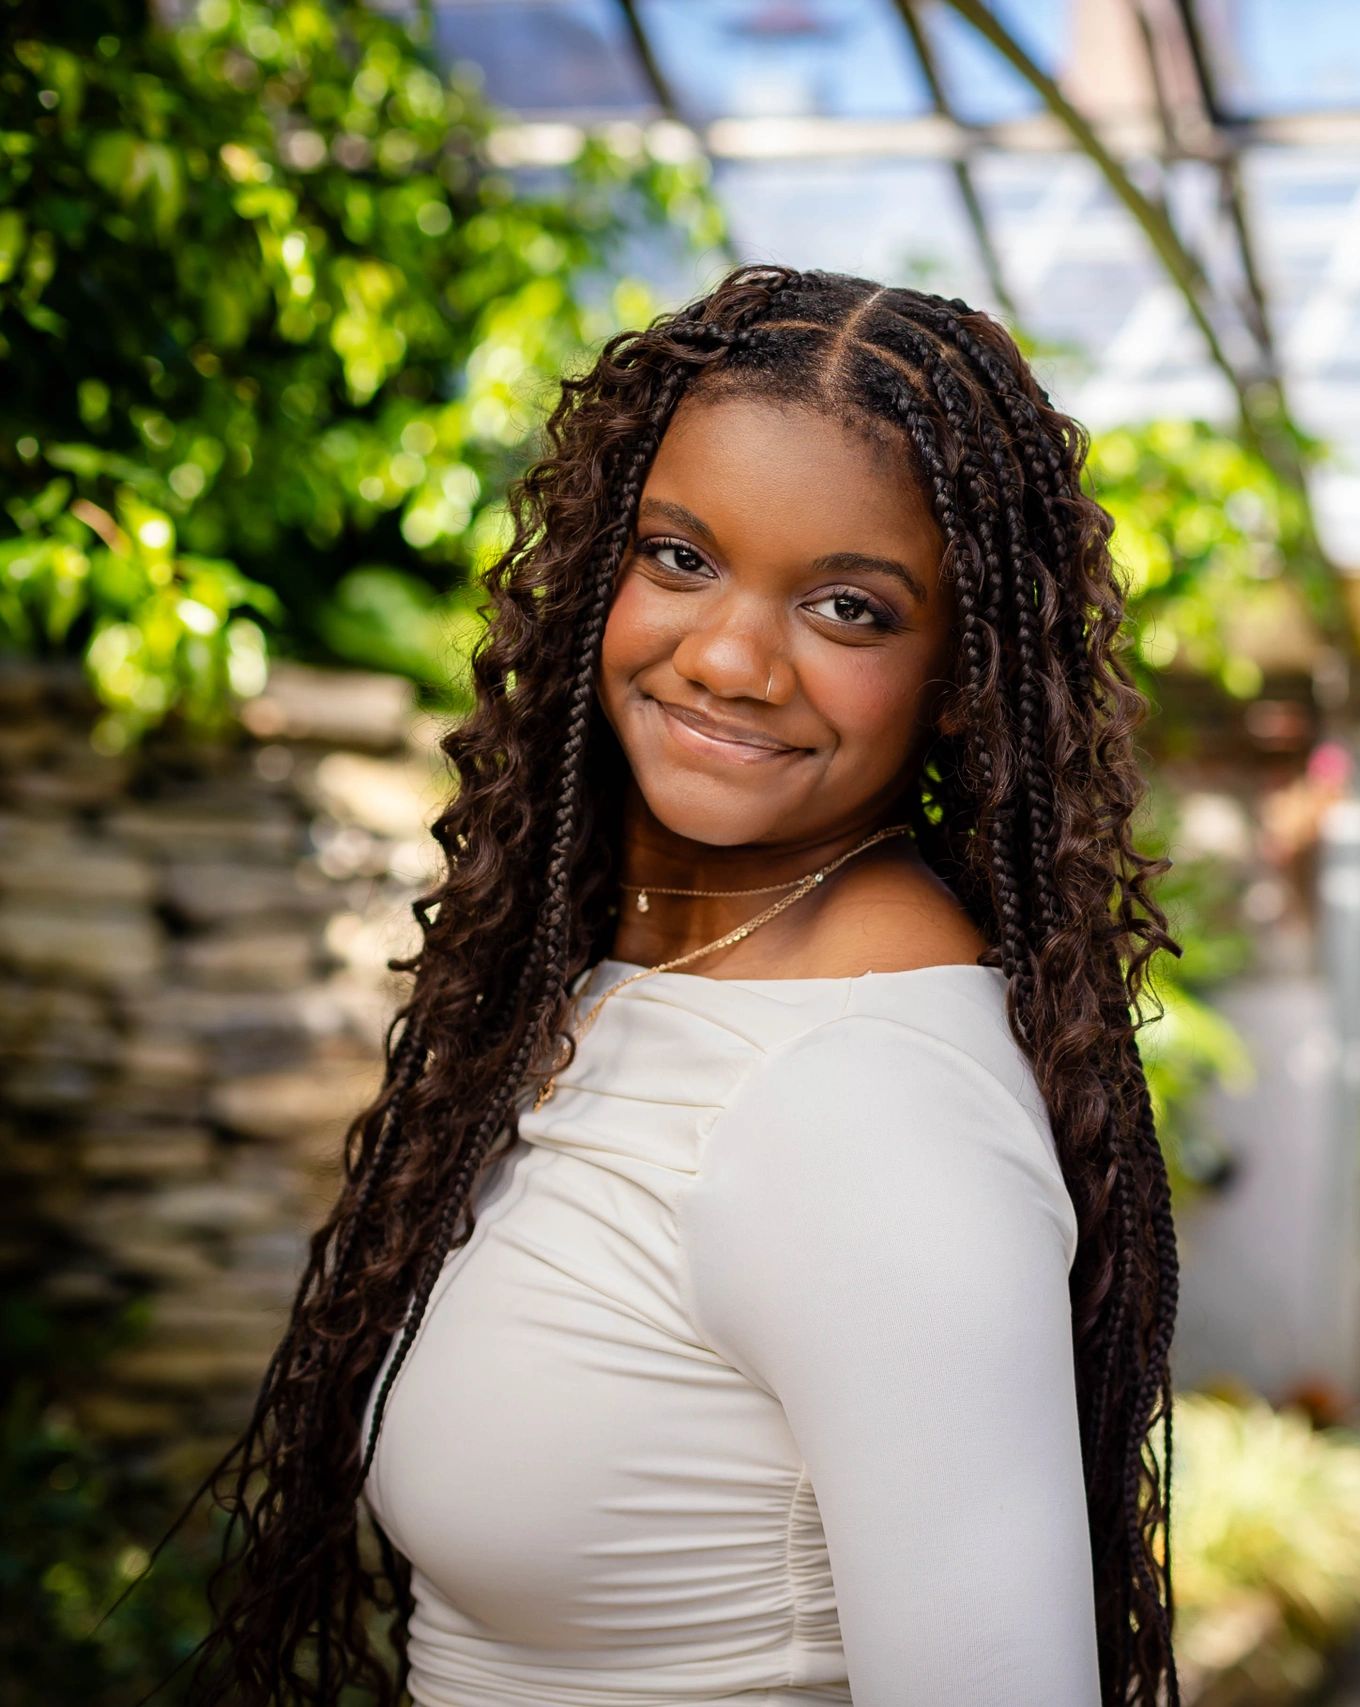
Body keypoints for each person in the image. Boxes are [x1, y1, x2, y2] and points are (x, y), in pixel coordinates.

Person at [169, 265, 1182, 1706]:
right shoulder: (635, 976)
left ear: (962, 674)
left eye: (847, 608)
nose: (727, 659)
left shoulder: (866, 1107)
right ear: (599, 567)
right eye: (681, 557)